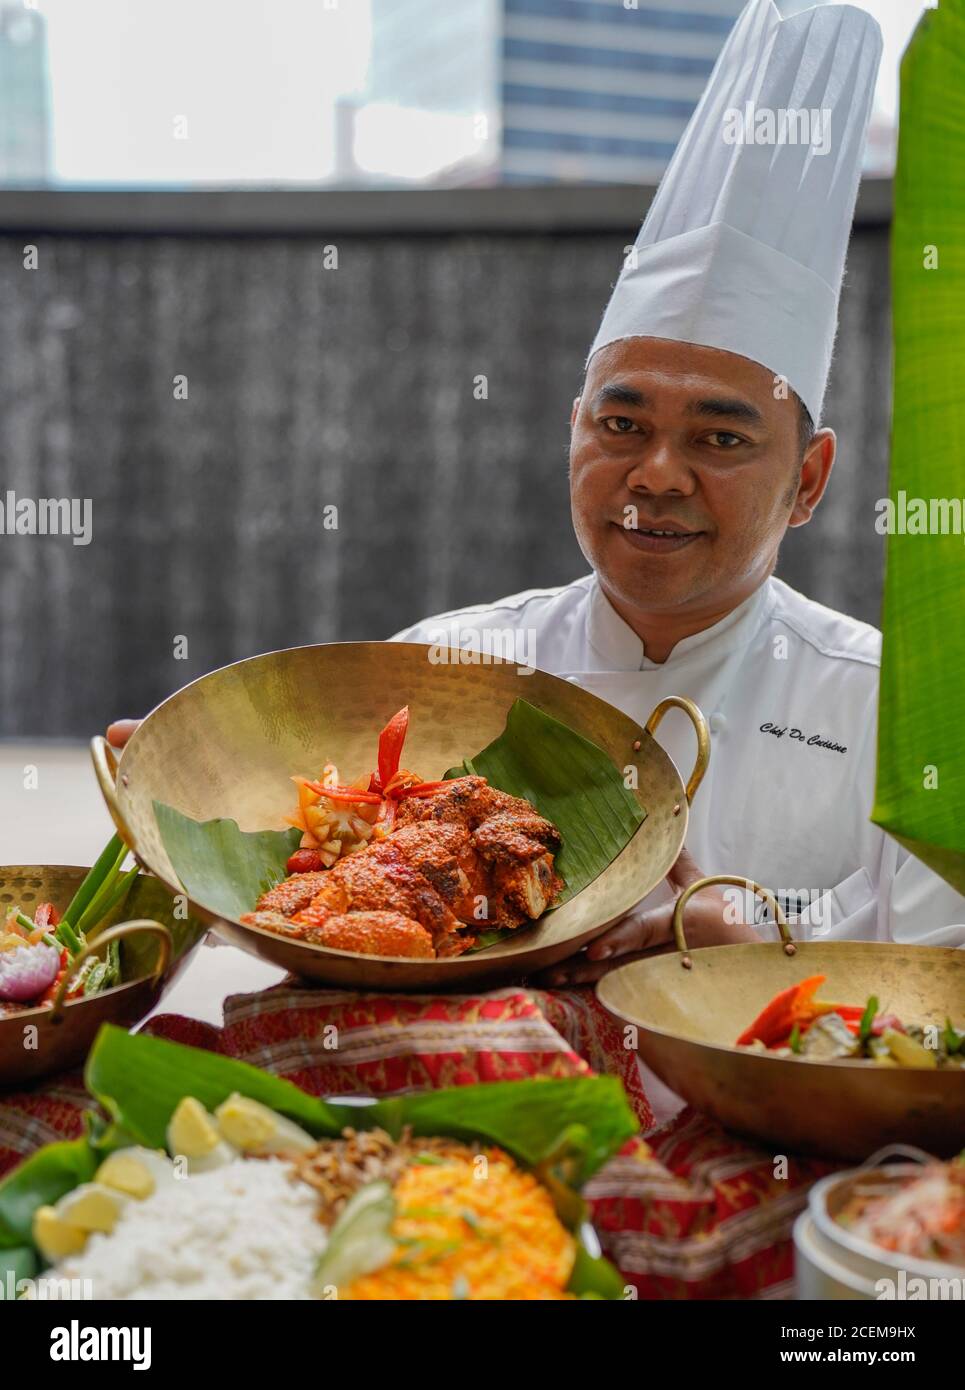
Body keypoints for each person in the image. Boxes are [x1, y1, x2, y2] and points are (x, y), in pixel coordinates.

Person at [109, 0, 965, 991]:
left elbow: (933, 998)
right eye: (621, 423)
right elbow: (321, 913)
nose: (654, 473)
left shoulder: (894, 719)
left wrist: (753, 949)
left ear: (807, 478)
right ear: (573, 431)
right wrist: (188, 814)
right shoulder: (447, 670)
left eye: (718, 437)